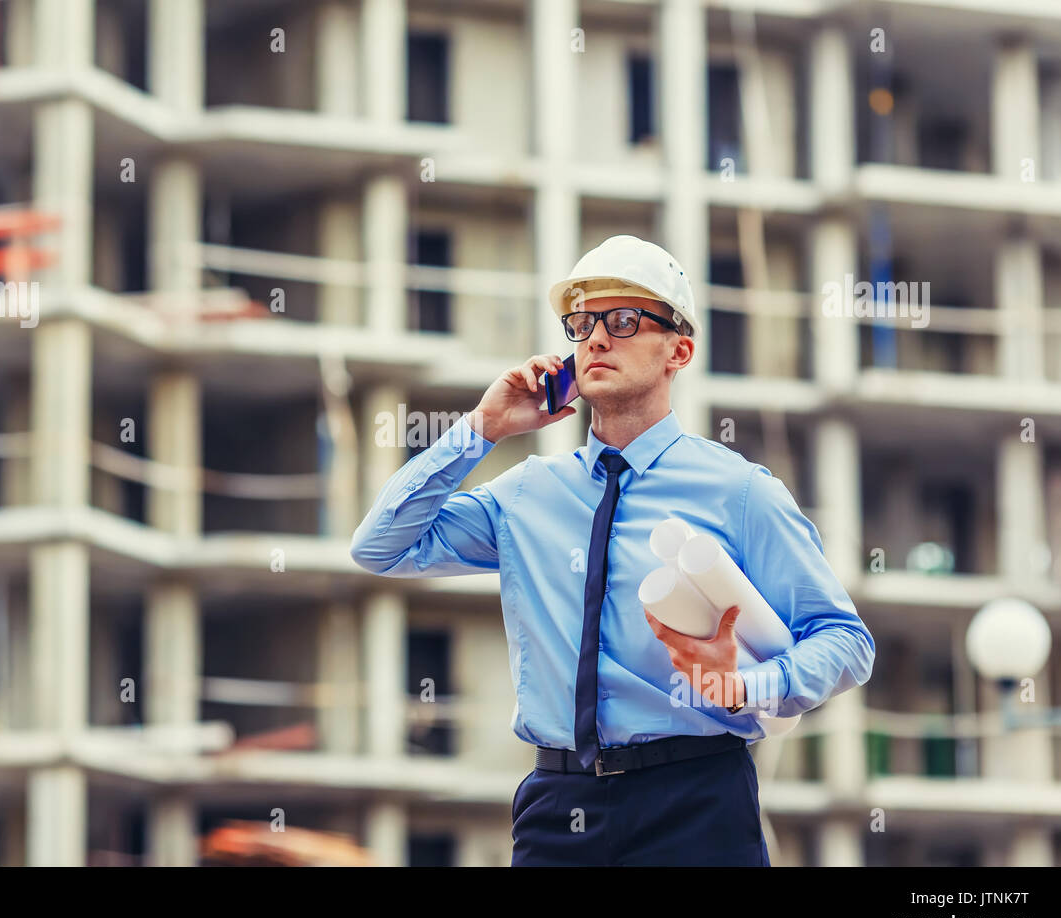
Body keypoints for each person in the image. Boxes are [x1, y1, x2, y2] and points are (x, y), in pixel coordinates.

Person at [350, 235, 875, 866]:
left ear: (678, 350)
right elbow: (380, 547)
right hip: (557, 806)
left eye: (623, 321)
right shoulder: (527, 493)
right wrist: (482, 428)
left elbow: (846, 641)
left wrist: (744, 686)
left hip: (696, 800)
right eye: (582, 324)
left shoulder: (739, 491)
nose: (596, 339)